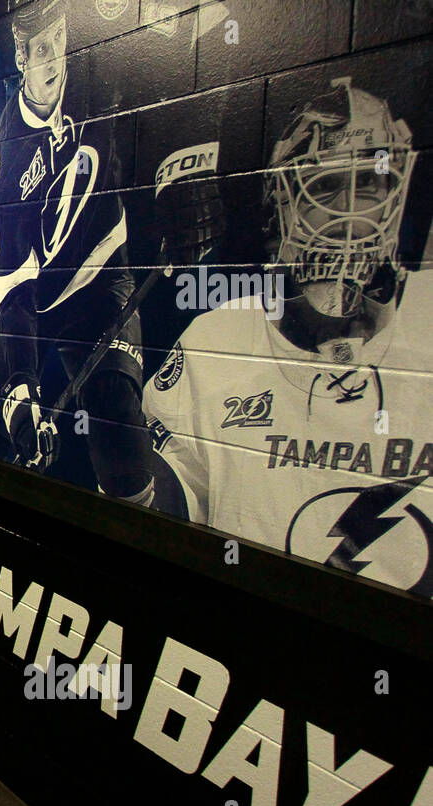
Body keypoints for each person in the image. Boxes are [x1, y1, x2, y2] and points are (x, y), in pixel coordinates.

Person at [145, 78, 433, 598]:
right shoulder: (219, 337)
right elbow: (174, 499)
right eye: (325, 186)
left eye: (369, 181)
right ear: (283, 200)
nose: (351, 211)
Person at [0, 0, 156, 506]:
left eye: (59, 41)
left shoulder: (101, 72)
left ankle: (130, 561)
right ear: (21, 56)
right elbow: (13, 294)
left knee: (118, 425)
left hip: (101, 286)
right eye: (39, 48)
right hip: (30, 306)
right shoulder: (4, 164)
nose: (53, 58)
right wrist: (23, 391)